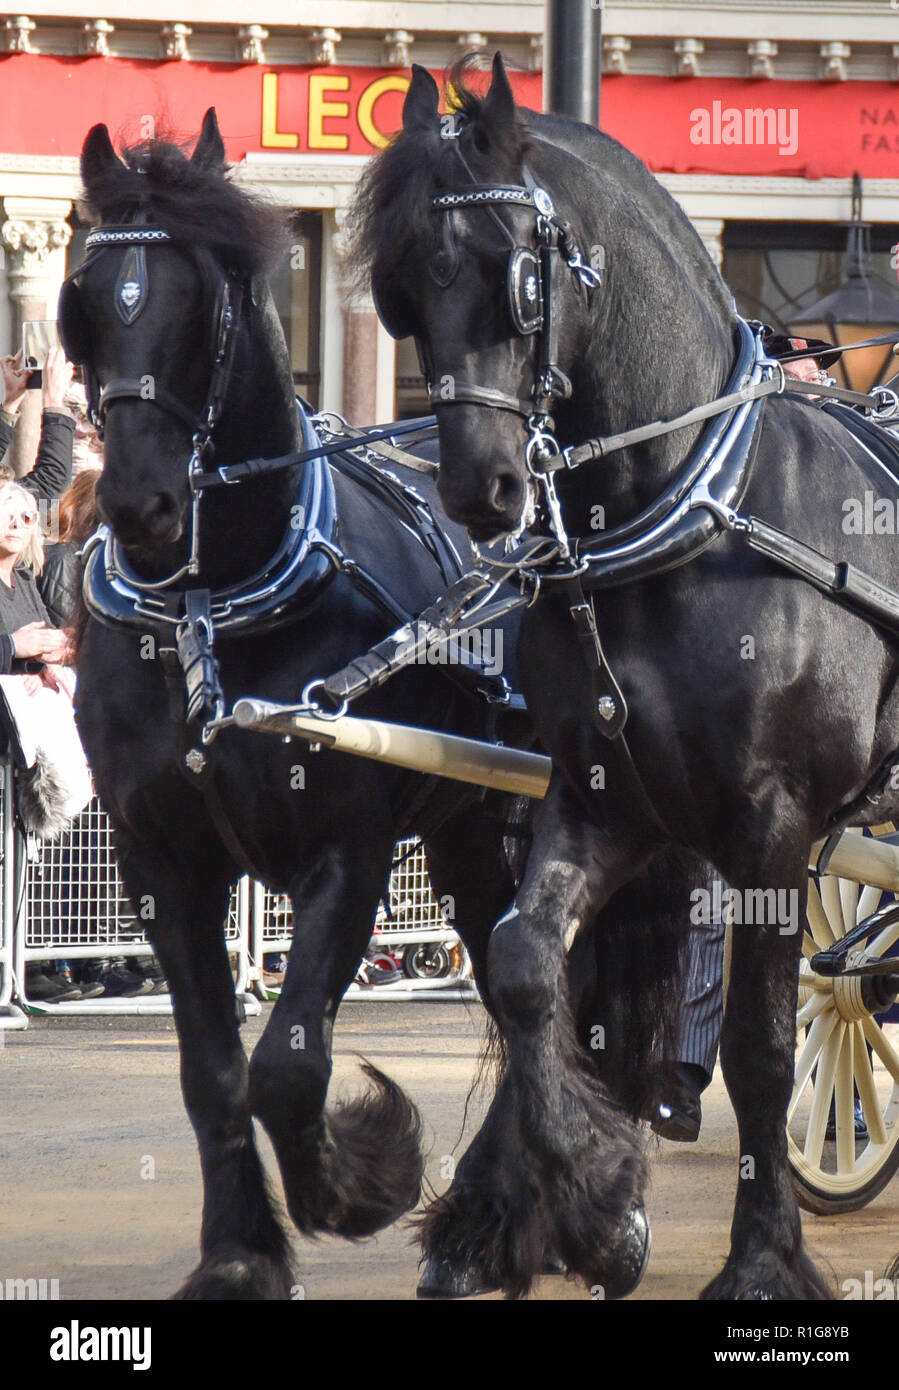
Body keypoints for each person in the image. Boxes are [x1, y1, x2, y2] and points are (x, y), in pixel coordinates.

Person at [1, 347, 75, 505]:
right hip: (43, 523)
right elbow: (51, 485)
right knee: (50, 522)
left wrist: (10, 405)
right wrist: (53, 402)